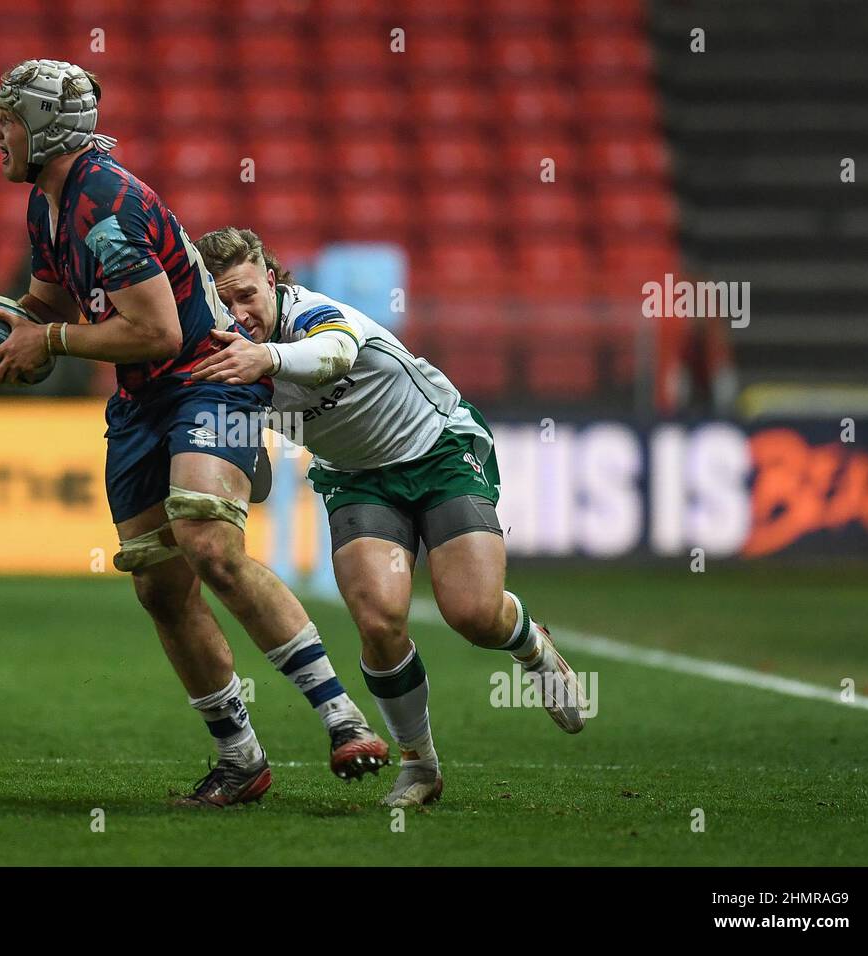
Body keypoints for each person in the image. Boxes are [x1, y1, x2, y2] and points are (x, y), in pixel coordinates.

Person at [0, 60, 387, 807]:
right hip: (143, 404)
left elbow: (154, 330)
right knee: (159, 584)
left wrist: (46, 342)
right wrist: (3, 329)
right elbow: (47, 299)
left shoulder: (105, 207)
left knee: (207, 540)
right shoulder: (48, 205)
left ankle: (342, 719)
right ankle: (240, 760)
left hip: (206, 380)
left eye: (7, 119)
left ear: (45, 129)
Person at [192, 227, 588, 808]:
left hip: (437, 450)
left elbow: (338, 355)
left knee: (473, 613)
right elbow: (260, 478)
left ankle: (530, 644)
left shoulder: (312, 316)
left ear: (272, 282)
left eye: (247, 294)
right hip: (355, 477)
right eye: (223, 302)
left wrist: (265, 359)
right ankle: (420, 765)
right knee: (378, 621)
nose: (239, 311)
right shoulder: (225, 364)